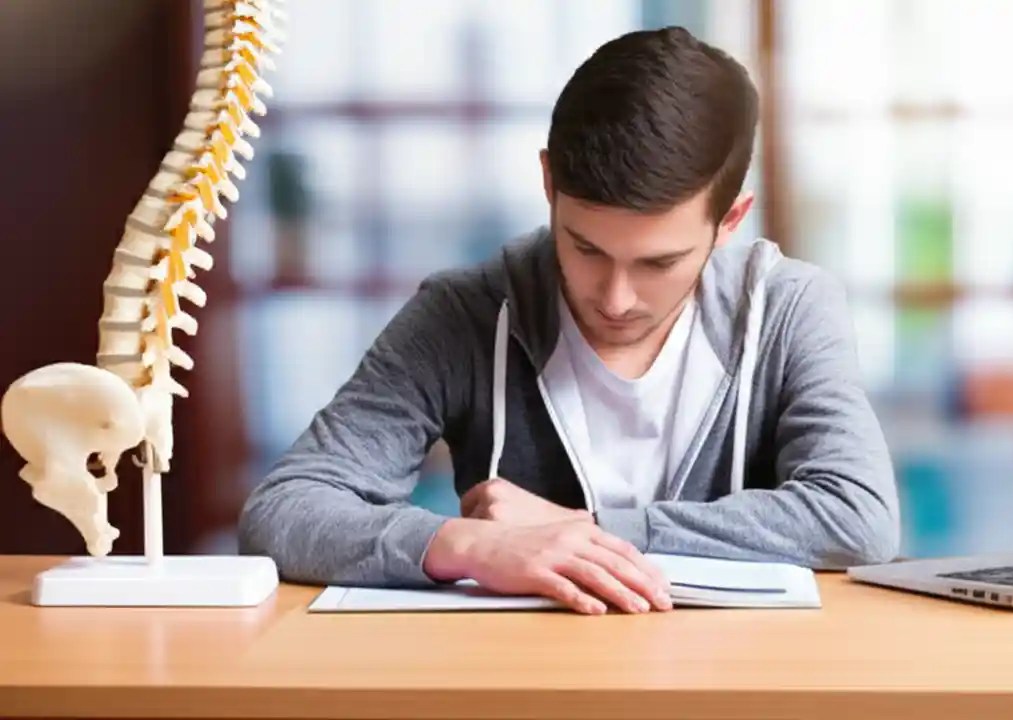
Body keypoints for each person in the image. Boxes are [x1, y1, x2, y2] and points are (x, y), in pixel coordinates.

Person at [239, 26, 899, 616]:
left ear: (730, 220)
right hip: (521, 687)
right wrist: (464, 542)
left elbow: (857, 517)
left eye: (658, 262)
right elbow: (285, 509)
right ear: (549, 183)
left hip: (738, 689)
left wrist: (590, 530)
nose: (615, 298)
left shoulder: (786, 309)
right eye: (585, 248)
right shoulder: (464, 314)